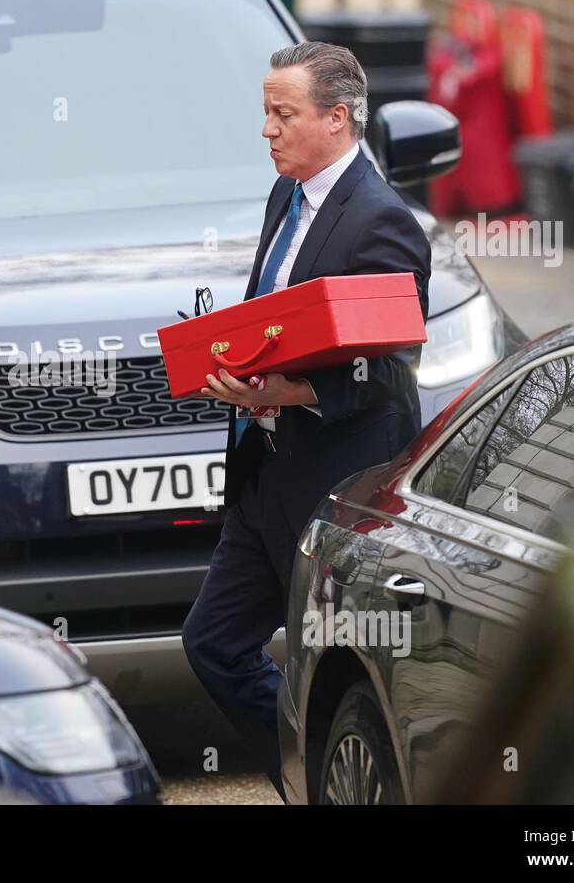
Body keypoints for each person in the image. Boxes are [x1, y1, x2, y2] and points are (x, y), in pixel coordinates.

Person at [183, 41, 431, 799]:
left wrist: (275, 393)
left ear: (337, 118)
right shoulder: (284, 197)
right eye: (266, 111)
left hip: (340, 487)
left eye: (282, 113)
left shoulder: (383, 223)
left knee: (342, 669)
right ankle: (307, 781)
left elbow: (381, 376)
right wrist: (232, 363)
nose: (267, 129)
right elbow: (280, 323)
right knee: (214, 643)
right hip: (262, 477)